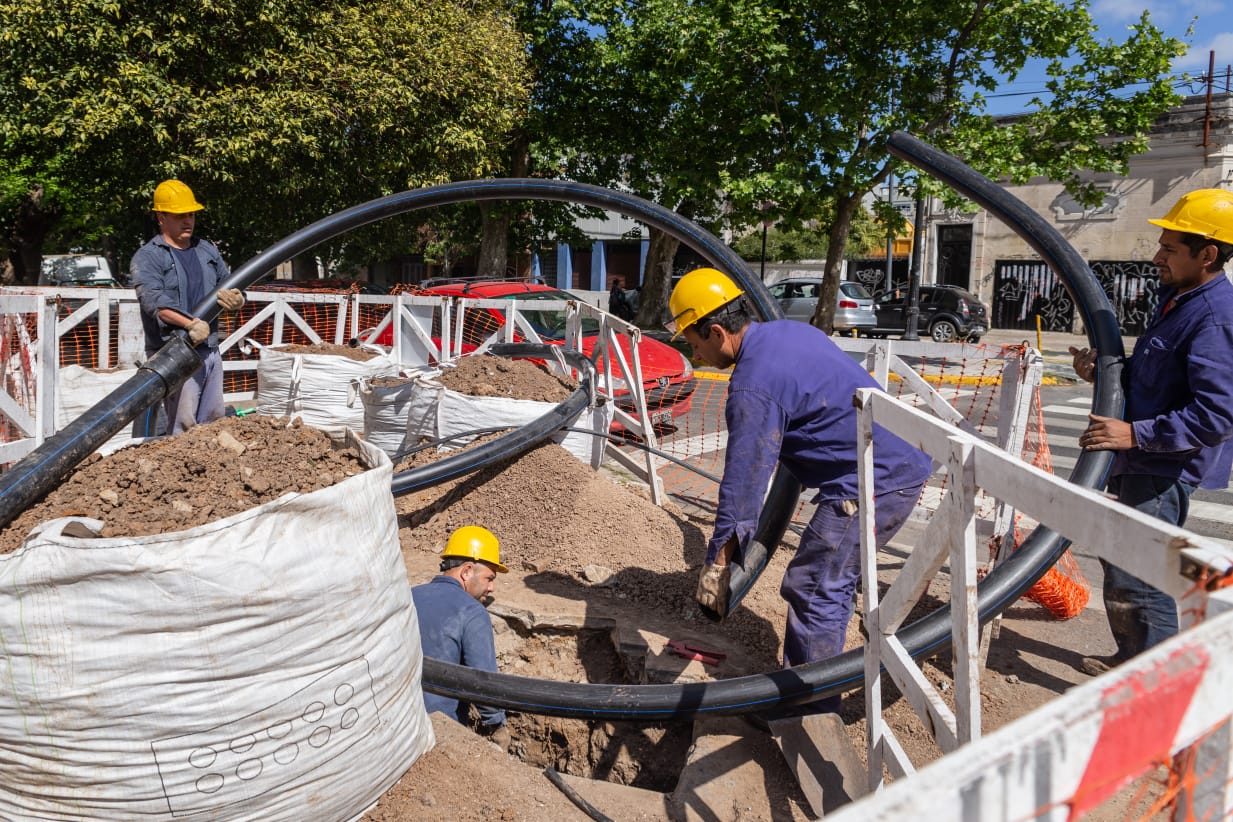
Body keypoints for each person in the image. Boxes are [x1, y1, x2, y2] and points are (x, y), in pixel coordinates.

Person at [667, 268, 933, 715]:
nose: (694, 354)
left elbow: (744, 484)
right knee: (829, 581)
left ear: (716, 332)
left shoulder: (752, 386)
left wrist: (719, 562)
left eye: (694, 343)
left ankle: (810, 713)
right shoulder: (786, 332)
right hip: (888, 458)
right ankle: (812, 684)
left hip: (875, 478)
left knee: (814, 586)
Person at [1069, 189, 1233, 676]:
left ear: (1207, 254)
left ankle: (1152, 682)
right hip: (1145, 459)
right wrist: (1101, 374)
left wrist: (1134, 435)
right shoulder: (1180, 299)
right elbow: (1159, 377)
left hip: (1163, 466)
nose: (1157, 256)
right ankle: (1133, 662)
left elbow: (1218, 414)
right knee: (1125, 564)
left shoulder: (1214, 316)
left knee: (1141, 575)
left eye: (1169, 248)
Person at [131, 180, 246, 435]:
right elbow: (154, 302)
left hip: (209, 347)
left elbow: (230, 285)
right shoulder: (149, 256)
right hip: (174, 350)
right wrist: (189, 324)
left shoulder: (206, 251)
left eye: (191, 215)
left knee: (214, 419)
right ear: (161, 218)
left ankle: (211, 460)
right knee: (183, 424)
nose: (188, 221)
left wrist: (239, 299)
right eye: (179, 216)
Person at [410, 525, 511, 749]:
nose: (492, 588)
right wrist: (497, 725)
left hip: (395, 723)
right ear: (466, 571)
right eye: (489, 578)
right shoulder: (472, 612)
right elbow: (483, 680)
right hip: (440, 735)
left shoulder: (408, 596)